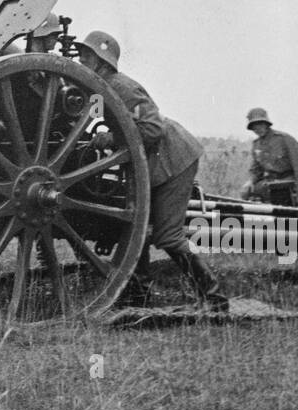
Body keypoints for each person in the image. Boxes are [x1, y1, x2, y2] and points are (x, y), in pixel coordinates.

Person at [73, 30, 227, 311]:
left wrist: (114, 138)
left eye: (86, 55)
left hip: (172, 160)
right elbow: (95, 122)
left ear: (101, 61)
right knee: (137, 229)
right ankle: (140, 296)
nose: (80, 59)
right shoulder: (99, 89)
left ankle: (214, 298)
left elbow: (153, 129)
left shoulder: (122, 87)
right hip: (153, 164)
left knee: (168, 236)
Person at [241, 109, 298, 206]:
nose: (257, 128)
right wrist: (250, 182)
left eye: (260, 124)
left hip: (289, 185)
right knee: (248, 196)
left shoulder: (284, 139)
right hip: (270, 186)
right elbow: (256, 170)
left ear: (266, 124)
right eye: (253, 126)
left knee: (290, 217)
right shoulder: (257, 145)